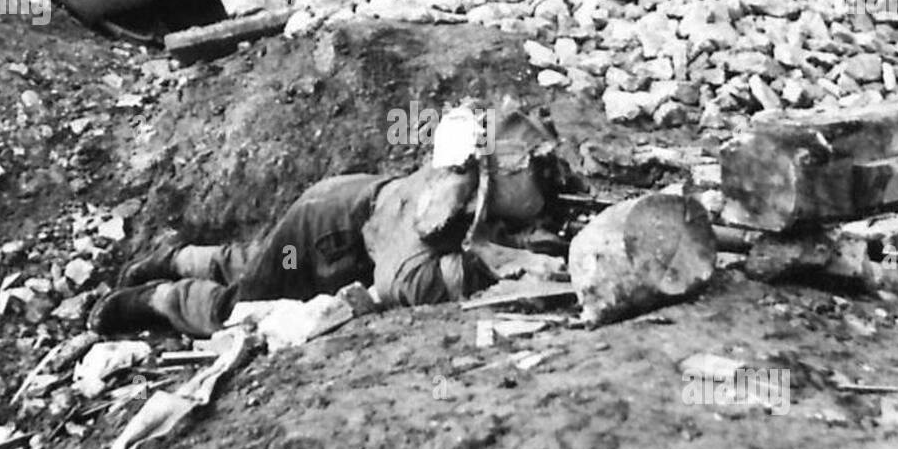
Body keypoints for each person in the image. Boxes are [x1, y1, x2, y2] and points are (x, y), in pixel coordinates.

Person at [88, 105, 576, 337]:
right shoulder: (433, 211)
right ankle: (156, 299)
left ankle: (176, 258)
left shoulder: (462, 173)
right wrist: (487, 266)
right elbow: (403, 280)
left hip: (344, 203)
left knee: (262, 259)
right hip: (330, 230)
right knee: (244, 306)